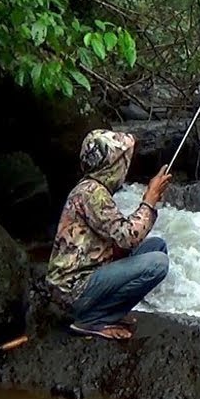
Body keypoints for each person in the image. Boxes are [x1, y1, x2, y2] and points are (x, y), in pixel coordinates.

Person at [45, 129, 172, 340]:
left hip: (90, 273)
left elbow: (119, 237)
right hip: (74, 289)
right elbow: (128, 237)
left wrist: (151, 200)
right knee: (158, 263)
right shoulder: (92, 193)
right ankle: (93, 320)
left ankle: (110, 311)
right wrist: (149, 200)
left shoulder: (92, 188)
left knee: (157, 246)